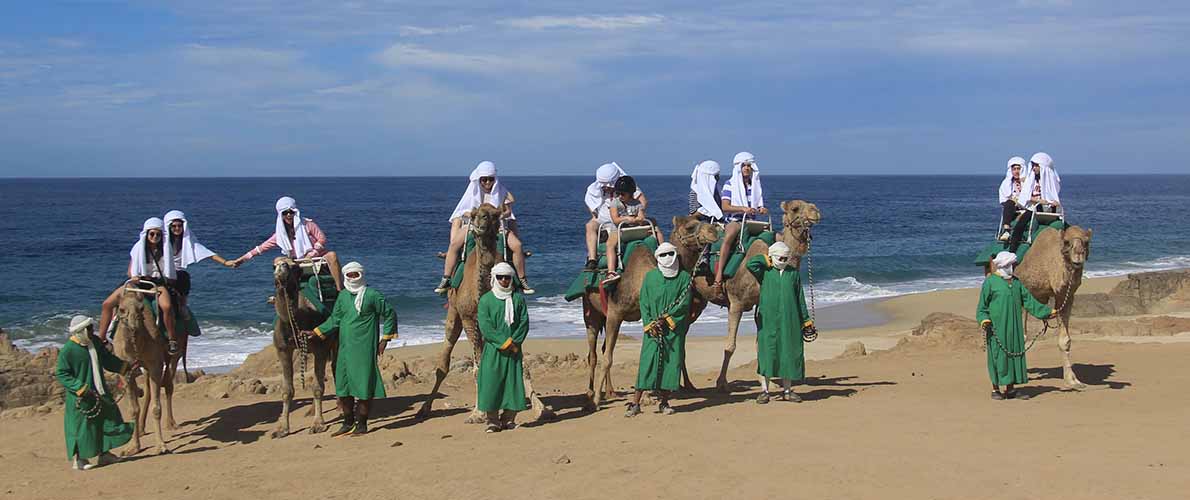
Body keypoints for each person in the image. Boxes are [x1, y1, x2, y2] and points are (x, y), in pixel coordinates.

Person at [304, 262, 397, 436]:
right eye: (349, 275)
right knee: (343, 387)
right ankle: (347, 423)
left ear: (361, 274)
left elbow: (390, 313)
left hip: (364, 348)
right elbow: (335, 320)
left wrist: (385, 339)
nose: (353, 278)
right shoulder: (343, 296)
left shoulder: (372, 295)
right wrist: (316, 332)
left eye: (356, 274)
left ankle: (361, 425)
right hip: (344, 349)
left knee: (363, 387)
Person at [435, 161, 534, 294]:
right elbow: (462, 211)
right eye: (484, 179)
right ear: (479, 179)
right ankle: (446, 278)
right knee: (454, 245)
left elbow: (508, 211)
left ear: (495, 178)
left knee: (517, 246)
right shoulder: (472, 192)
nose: (487, 183)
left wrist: (499, 215)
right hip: (475, 227)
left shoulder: (502, 192)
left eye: (490, 179)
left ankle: (522, 280)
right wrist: (473, 215)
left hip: (496, 227)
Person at [56, 315, 134, 471]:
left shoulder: (95, 343)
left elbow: (107, 360)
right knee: (82, 428)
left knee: (108, 420)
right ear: (81, 331)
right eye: (89, 329)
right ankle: (80, 459)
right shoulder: (68, 351)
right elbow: (62, 373)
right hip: (81, 397)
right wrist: (81, 388)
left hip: (100, 391)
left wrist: (125, 367)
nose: (93, 331)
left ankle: (104, 455)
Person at [976, 252, 1056, 400]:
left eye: (1013, 264)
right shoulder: (990, 282)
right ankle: (996, 389)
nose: (1013, 267)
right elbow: (982, 308)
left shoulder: (1017, 283)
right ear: (1004, 265)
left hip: (1014, 326)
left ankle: (1010, 389)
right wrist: (984, 320)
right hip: (996, 327)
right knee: (997, 356)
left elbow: (1029, 302)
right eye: (1010, 265)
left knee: (1013, 353)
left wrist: (1047, 312)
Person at [625, 243, 693, 417]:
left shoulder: (684, 278)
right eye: (663, 255)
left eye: (671, 253)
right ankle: (635, 403)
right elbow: (645, 302)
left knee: (670, 365)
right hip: (653, 330)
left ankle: (664, 402)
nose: (667, 257)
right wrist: (650, 324)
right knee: (647, 363)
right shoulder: (650, 277)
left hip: (672, 329)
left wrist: (667, 319)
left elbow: (684, 304)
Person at [96, 218, 182, 354]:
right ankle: (101, 338)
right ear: (146, 234)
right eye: (152, 234)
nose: (155, 237)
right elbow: (131, 268)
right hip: (137, 283)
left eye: (158, 234)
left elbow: (168, 271)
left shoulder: (165, 250)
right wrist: (133, 275)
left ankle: (172, 339)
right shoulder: (138, 248)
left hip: (155, 284)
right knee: (107, 304)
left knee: (166, 306)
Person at [745, 242, 815, 403]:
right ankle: (765, 391)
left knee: (788, 353)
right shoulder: (765, 271)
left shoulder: (793, 273)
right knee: (768, 352)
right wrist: (766, 259)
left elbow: (800, 298)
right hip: (768, 319)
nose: (783, 260)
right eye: (780, 257)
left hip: (790, 319)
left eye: (786, 257)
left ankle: (788, 391)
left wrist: (806, 320)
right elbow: (751, 264)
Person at [229, 196, 344, 291]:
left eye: (291, 212)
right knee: (278, 261)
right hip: (297, 261)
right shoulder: (280, 234)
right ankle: (280, 293)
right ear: (281, 215)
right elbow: (260, 249)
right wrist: (241, 260)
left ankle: (339, 289)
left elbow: (322, 238)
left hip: (317, 258)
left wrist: (312, 254)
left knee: (332, 255)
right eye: (285, 213)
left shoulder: (307, 224)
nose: (288, 215)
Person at [476, 262, 530, 433]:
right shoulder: (486, 301)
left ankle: (508, 419)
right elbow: (486, 327)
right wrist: (504, 343)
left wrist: (515, 342)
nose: (504, 280)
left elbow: (524, 322)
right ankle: (492, 421)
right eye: (500, 277)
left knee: (512, 384)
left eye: (507, 277)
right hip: (494, 350)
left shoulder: (518, 299)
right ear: (494, 278)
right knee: (491, 383)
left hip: (514, 351)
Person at [163, 210, 234, 325]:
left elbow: (205, 252)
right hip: (162, 272)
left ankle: (182, 306)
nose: (177, 228)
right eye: (174, 226)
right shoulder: (161, 240)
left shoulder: (187, 240)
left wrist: (225, 262)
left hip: (178, 273)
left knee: (184, 276)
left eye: (179, 226)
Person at [714, 152, 768, 287]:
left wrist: (761, 208)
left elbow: (758, 203)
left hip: (752, 221)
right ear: (739, 167)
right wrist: (742, 209)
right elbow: (725, 207)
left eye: (749, 165)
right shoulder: (729, 184)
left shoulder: (755, 185)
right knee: (729, 236)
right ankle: (719, 274)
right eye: (744, 165)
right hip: (735, 220)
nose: (746, 168)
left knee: (775, 237)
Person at [583, 162, 649, 270]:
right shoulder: (594, 190)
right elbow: (593, 212)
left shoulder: (626, 185)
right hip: (604, 221)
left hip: (624, 220)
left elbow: (643, 202)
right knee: (590, 226)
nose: (606, 188)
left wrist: (632, 214)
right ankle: (592, 259)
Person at [604, 175, 663, 280]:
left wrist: (638, 219)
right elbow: (615, 219)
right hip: (619, 230)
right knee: (609, 244)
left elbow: (641, 216)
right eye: (618, 193)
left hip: (636, 228)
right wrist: (626, 218)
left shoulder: (637, 203)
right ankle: (611, 271)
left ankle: (663, 251)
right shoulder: (615, 203)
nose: (620, 196)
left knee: (656, 228)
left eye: (623, 193)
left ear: (630, 193)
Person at [1007, 152, 1061, 252]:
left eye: (1036, 165)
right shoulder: (1031, 179)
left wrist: (1052, 202)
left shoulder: (1052, 180)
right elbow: (1025, 195)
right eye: (1033, 165)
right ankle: (1012, 251)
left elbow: (1055, 197)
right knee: (1020, 225)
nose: (1034, 168)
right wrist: (1039, 200)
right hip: (1034, 207)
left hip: (1050, 209)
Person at [997, 157, 1026, 241]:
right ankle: (1006, 230)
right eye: (1014, 169)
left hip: (1028, 205)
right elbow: (1003, 198)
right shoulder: (1007, 183)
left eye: (1018, 169)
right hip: (1013, 206)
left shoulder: (1028, 181)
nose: (1016, 171)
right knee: (1009, 203)